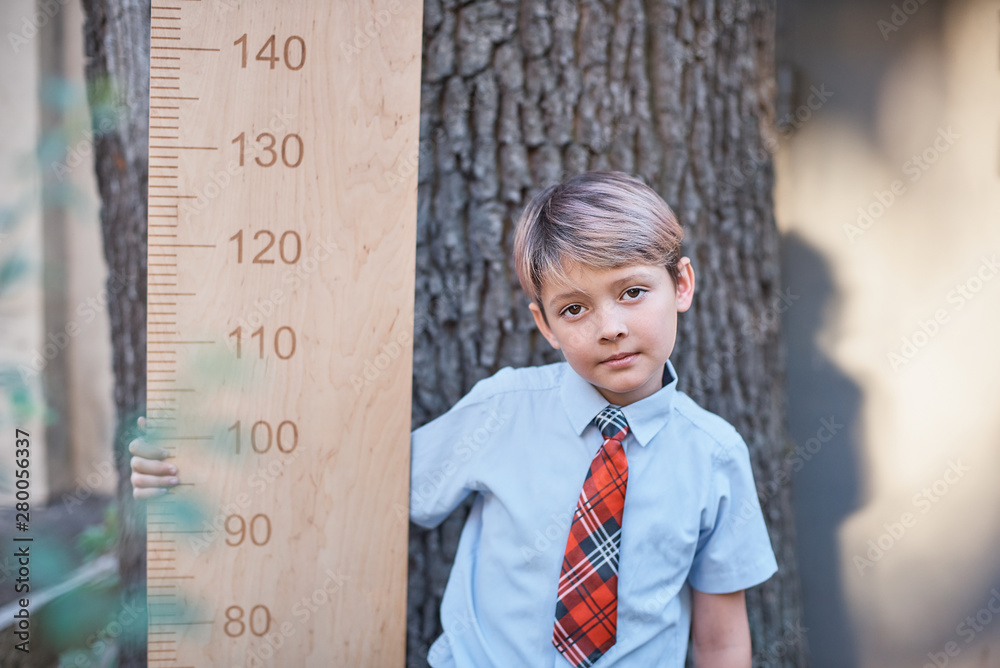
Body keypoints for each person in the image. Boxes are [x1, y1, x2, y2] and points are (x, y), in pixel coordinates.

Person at [130, 170, 777, 667]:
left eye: (633, 292)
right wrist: (205, 470)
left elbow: (720, 641)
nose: (610, 327)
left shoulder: (716, 456)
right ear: (544, 325)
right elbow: (360, 485)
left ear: (682, 285)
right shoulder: (500, 412)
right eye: (575, 308)